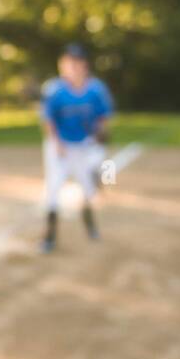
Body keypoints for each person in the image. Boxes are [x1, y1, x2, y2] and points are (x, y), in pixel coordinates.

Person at [40, 43, 113, 254]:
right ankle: (50, 235)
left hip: (83, 145)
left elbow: (103, 117)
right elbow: (48, 120)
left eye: (76, 62)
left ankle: (90, 224)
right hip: (60, 146)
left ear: (85, 65)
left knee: (88, 189)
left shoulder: (96, 89)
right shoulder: (54, 89)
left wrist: (100, 131)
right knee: (53, 189)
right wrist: (57, 143)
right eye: (68, 62)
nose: (72, 67)